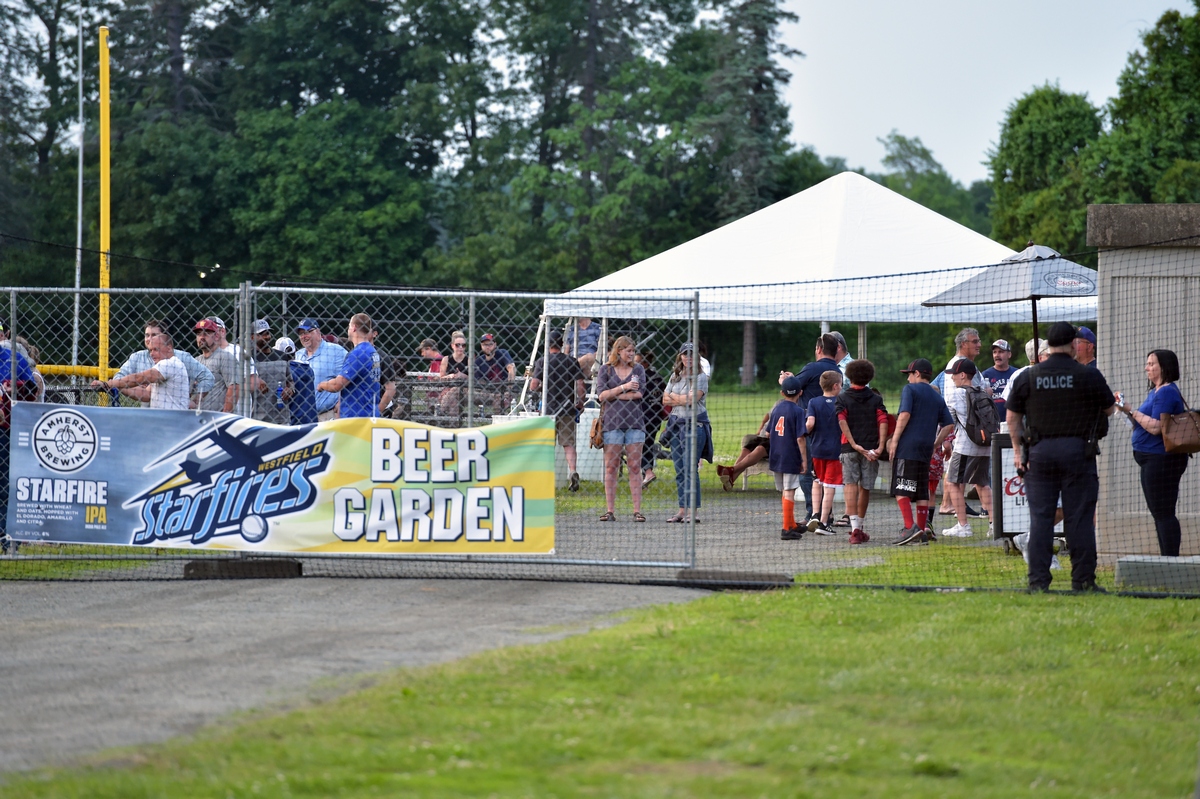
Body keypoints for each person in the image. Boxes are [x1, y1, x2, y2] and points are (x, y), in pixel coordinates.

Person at [1007, 321, 1115, 591]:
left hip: (1039, 454)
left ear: (1049, 347)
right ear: (1072, 345)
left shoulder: (1028, 376)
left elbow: (1012, 416)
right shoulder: (1088, 375)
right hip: (1078, 452)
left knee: (1041, 519)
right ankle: (1083, 581)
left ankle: (1038, 582)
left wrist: (1018, 452)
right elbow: (1110, 409)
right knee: (1079, 518)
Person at [1115, 349, 1190, 557]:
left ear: (1163, 367)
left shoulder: (1166, 391)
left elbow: (1157, 427)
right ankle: (1167, 557)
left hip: (1161, 461)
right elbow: (1140, 423)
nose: (1146, 368)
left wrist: (1131, 409)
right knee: (1160, 513)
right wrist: (1124, 409)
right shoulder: (1155, 391)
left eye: (1151, 364)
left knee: (1163, 512)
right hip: (1150, 459)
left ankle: (1170, 559)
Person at [887, 358, 954, 545]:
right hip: (926, 449)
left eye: (909, 374)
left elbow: (905, 414)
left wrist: (895, 440)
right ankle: (922, 530)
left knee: (902, 488)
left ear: (917, 373)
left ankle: (910, 528)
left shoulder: (910, 390)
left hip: (908, 446)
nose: (908, 379)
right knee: (922, 491)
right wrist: (935, 444)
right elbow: (949, 424)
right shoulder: (936, 396)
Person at [780, 333, 841, 522]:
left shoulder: (812, 368)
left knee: (808, 474)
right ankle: (825, 514)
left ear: (819, 349)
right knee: (827, 478)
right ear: (837, 350)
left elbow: (793, 388)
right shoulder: (837, 371)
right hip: (832, 431)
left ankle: (812, 513)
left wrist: (785, 380)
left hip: (810, 427)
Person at [595, 336, 646, 522]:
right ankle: (610, 510)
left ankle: (637, 511)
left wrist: (615, 394)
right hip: (612, 424)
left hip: (635, 423)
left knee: (634, 466)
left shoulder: (638, 369)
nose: (632, 354)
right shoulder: (605, 369)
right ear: (619, 351)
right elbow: (601, 395)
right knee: (611, 467)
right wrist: (624, 388)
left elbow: (640, 393)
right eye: (628, 351)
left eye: (633, 351)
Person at [837, 359, 888, 544]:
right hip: (872, 449)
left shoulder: (842, 398)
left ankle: (854, 529)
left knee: (850, 485)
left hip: (849, 449)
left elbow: (842, 421)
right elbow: (883, 421)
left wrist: (853, 444)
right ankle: (860, 527)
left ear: (849, 376)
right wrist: (881, 447)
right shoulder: (876, 399)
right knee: (865, 487)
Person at [941, 359, 993, 538]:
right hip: (985, 445)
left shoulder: (956, 395)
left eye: (954, 375)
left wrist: (942, 442)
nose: (953, 378)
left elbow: (950, 422)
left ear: (963, 375)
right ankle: (994, 524)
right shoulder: (984, 392)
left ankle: (963, 525)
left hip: (965, 446)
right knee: (982, 483)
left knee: (952, 482)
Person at [530, 329, 586, 491]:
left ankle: (544, 476)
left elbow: (534, 385)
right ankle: (573, 471)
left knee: (547, 445)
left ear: (548, 344)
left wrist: (543, 388)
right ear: (562, 345)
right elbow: (580, 386)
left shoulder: (543, 361)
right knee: (568, 444)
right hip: (567, 408)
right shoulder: (571, 361)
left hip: (549, 409)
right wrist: (580, 403)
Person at [662, 343, 712, 523]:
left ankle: (694, 512)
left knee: (691, 469)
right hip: (676, 426)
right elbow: (664, 398)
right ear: (680, 356)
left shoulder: (700, 377)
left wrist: (676, 399)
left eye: (691, 355)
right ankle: (682, 510)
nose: (687, 358)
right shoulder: (675, 376)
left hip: (694, 426)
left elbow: (692, 400)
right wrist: (681, 399)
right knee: (680, 470)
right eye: (684, 354)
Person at [113, 318, 214, 407]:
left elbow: (208, 377)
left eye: (154, 335)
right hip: (147, 413)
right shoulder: (137, 357)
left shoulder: (182, 357)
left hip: (175, 413)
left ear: (164, 337)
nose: (149, 339)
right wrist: (137, 387)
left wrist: (193, 400)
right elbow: (118, 377)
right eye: (147, 335)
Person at [1, 340, 37, 554]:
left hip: (5, 431)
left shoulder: (12, 359)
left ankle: (6, 539)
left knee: (5, 485)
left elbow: (32, 391)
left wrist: (15, 389)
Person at [92, 333, 189, 410]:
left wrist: (108, 384)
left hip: (172, 423)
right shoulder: (167, 366)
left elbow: (139, 378)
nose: (152, 354)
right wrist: (116, 386)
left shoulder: (170, 364)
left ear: (169, 348)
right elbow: (146, 395)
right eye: (150, 350)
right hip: (166, 422)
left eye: (156, 349)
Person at [317, 313, 380, 419]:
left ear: (354, 327)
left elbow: (338, 384)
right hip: (369, 410)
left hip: (356, 415)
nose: (348, 329)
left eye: (350, 326)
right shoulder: (372, 350)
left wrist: (322, 385)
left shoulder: (358, 353)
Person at [805, 371, 844, 536]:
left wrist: (801, 433)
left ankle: (814, 513)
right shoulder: (841, 402)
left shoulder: (813, 402)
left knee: (817, 481)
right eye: (841, 385)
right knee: (830, 487)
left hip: (817, 449)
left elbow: (810, 424)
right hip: (835, 451)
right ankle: (824, 521)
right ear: (836, 386)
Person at [770, 376, 809, 540]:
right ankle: (786, 528)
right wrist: (804, 459)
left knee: (785, 491)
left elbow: (768, 432)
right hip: (790, 456)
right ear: (800, 393)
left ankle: (791, 522)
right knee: (790, 491)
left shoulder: (776, 409)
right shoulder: (799, 411)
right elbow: (800, 438)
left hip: (776, 455)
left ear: (782, 392)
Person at [294, 318, 346, 421]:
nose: (304, 337)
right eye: (301, 334)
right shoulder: (298, 355)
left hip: (328, 415)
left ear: (318, 332)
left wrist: (342, 402)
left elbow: (350, 379)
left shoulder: (336, 351)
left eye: (307, 332)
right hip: (303, 417)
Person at [250, 319, 293, 425]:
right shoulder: (249, 358)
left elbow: (290, 380)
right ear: (252, 337)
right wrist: (255, 380)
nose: (266, 337)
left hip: (282, 418)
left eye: (267, 333)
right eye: (261, 334)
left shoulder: (282, 356)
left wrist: (290, 389)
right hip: (257, 419)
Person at [193, 318, 241, 414]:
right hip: (200, 417)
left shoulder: (225, 357)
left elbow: (234, 388)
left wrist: (224, 416)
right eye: (199, 334)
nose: (202, 337)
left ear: (216, 336)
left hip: (218, 418)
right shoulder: (196, 361)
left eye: (206, 333)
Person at [635, 350, 667, 490]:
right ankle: (645, 475)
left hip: (641, 416)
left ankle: (647, 471)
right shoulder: (658, 378)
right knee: (648, 444)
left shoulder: (639, 377)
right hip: (655, 417)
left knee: (638, 446)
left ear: (644, 363)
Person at [715, 414, 771, 492]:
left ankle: (731, 470)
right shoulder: (779, 404)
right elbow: (768, 416)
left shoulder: (793, 408)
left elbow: (769, 434)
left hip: (775, 440)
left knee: (760, 449)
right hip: (763, 437)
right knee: (747, 449)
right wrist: (759, 431)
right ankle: (731, 478)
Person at [475, 333, 516, 413]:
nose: (487, 347)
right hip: (488, 391)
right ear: (481, 345)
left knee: (499, 398)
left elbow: (511, 368)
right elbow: (478, 380)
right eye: (484, 344)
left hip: (504, 389)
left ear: (495, 344)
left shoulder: (502, 353)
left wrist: (508, 389)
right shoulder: (479, 361)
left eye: (490, 344)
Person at [367, 323, 399, 417]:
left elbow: (391, 388)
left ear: (374, 333)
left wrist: (376, 412)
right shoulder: (351, 354)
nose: (362, 333)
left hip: (379, 408)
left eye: (366, 330)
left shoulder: (382, 356)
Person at [438, 331, 471, 416]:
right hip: (448, 389)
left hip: (465, 390)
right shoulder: (446, 359)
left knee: (455, 390)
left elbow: (473, 378)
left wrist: (462, 376)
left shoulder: (469, 360)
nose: (461, 347)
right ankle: (454, 423)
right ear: (452, 345)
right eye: (457, 345)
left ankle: (442, 410)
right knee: (453, 401)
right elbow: (441, 378)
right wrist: (450, 376)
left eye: (463, 345)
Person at [982, 339, 1015, 419]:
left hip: (1013, 420)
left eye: (1001, 352)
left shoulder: (1016, 374)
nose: (997, 355)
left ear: (1009, 354)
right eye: (994, 352)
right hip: (993, 422)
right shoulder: (985, 375)